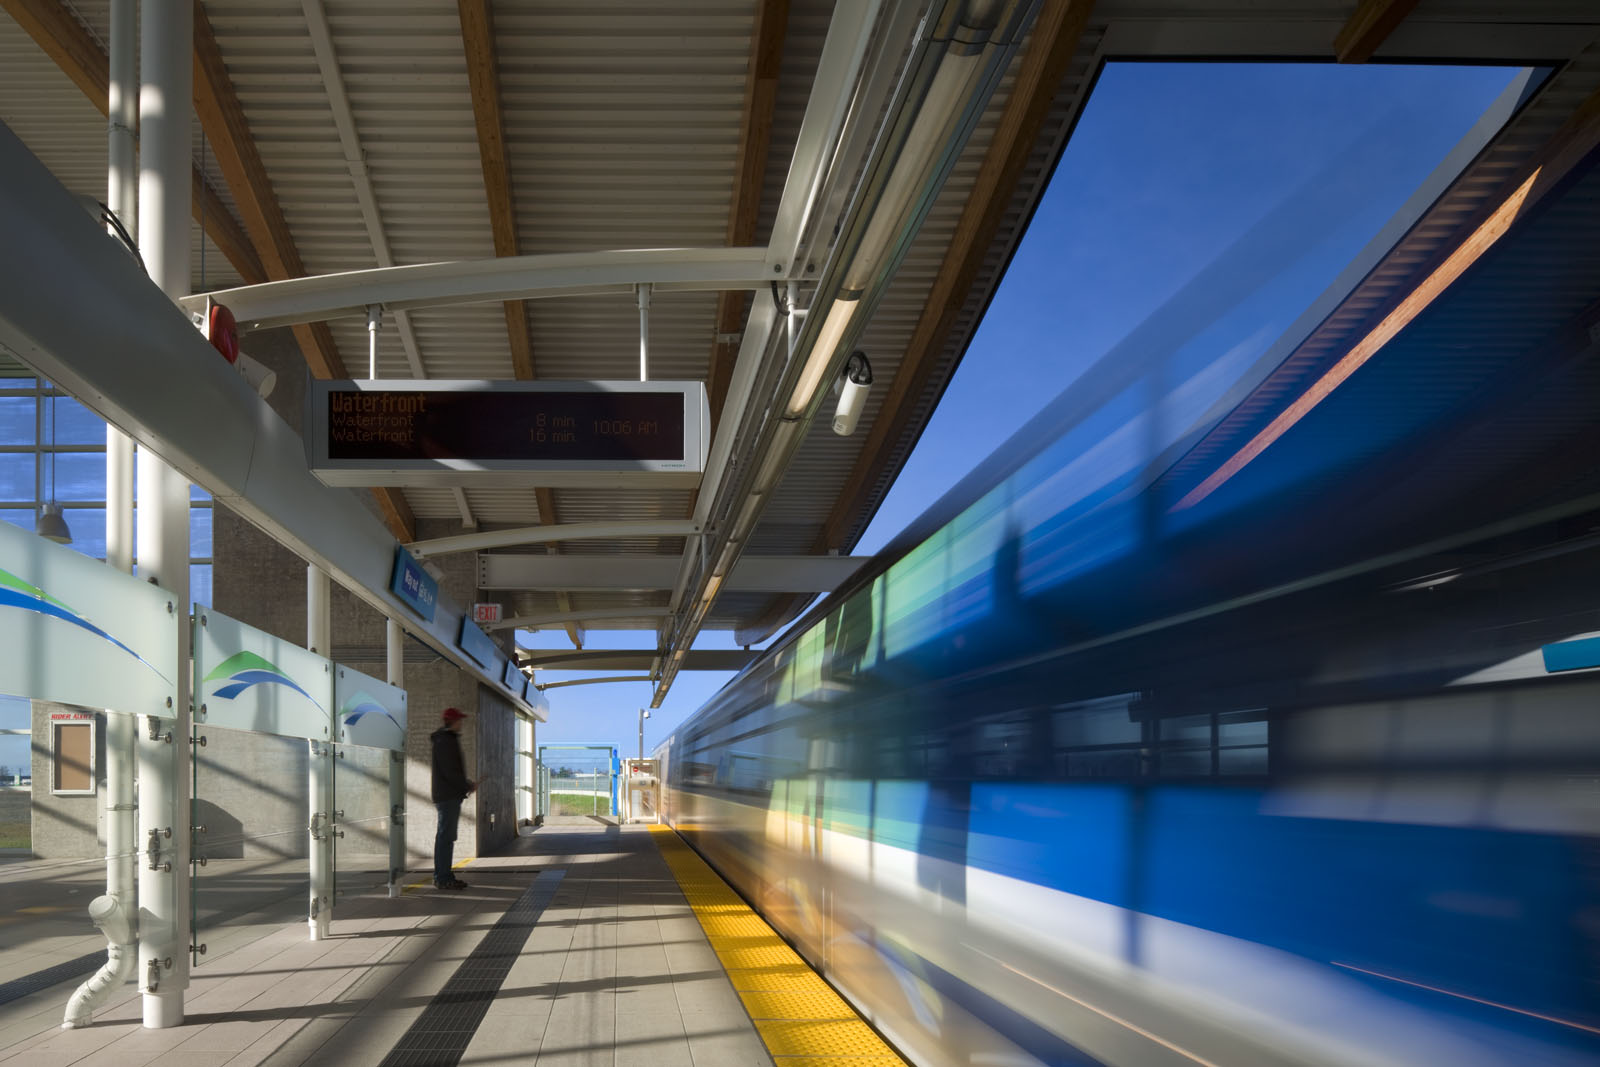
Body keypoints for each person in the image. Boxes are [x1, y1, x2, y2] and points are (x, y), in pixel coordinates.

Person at [431, 707, 476, 890]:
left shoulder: (446, 739)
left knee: (446, 836)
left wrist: (465, 785)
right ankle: (443, 877)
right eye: (459, 720)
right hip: (447, 796)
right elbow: (450, 771)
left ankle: (444, 875)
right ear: (452, 721)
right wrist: (466, 785)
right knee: (445, 837)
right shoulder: (445, 741)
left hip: (448, 795)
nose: (461, 723)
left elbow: (451, 771)